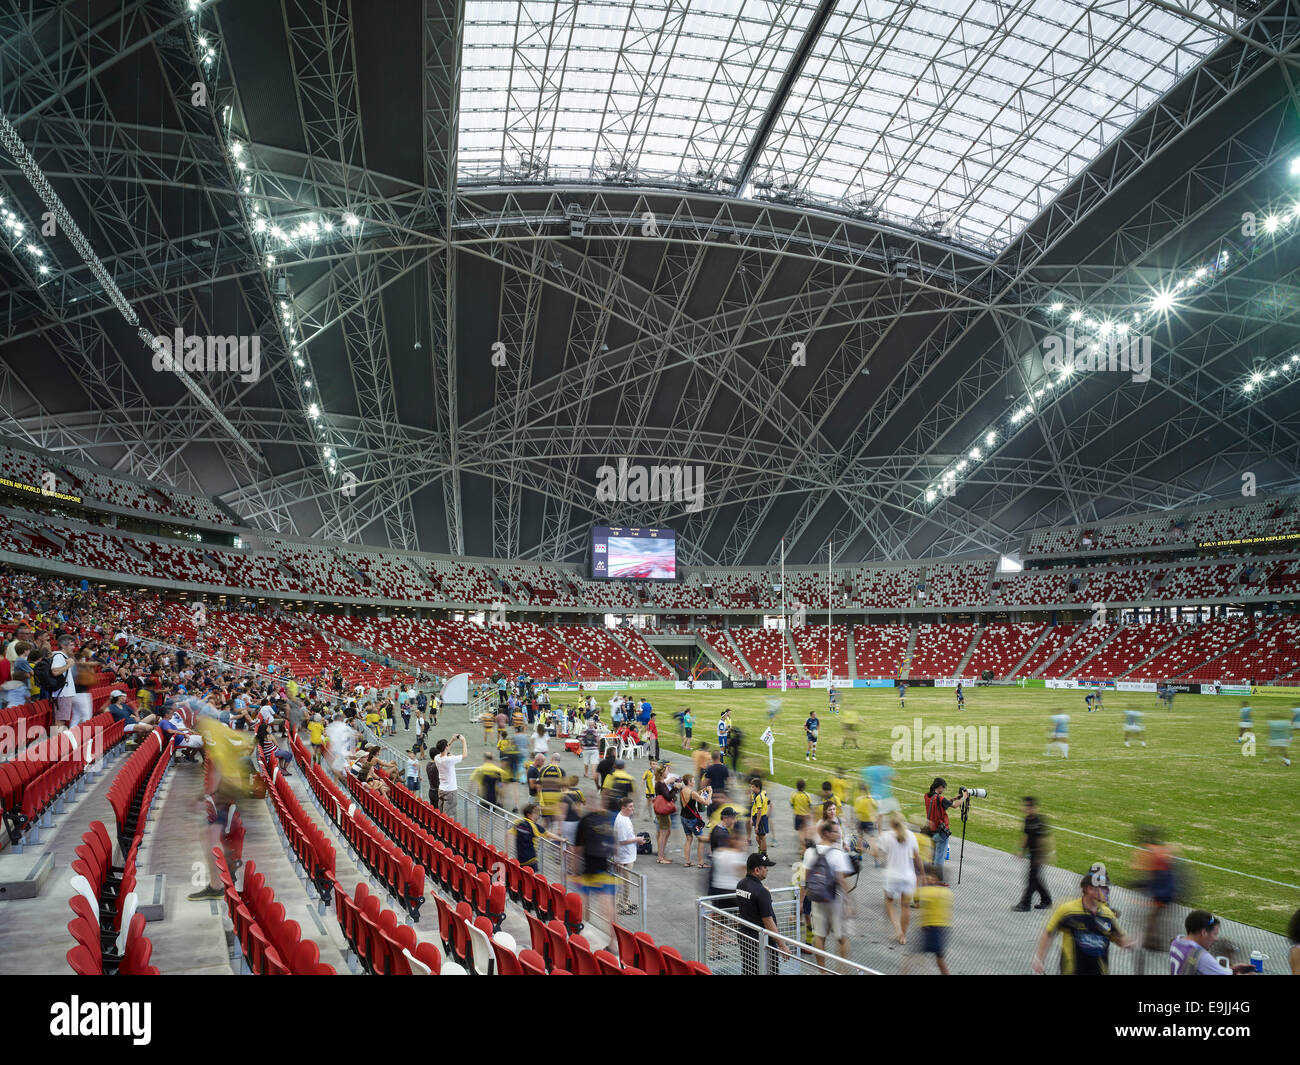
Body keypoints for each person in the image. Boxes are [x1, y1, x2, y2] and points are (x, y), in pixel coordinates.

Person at [1032, 867, 1134, 975]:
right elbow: (1048, 933)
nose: (1107, 891)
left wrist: (1130, 943)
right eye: (1103, 887)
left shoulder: (1107, 914)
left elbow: (1118, 938)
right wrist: (1039, 959)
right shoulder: (1066, 910)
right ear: (1090, 889)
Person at [801, 821, 855, 959]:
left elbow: (804, 879)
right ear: (826, 833)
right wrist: (850, 903)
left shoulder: (810, 852)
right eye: (836, 831)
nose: (839, 834)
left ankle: (823, 972)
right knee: (841, 936)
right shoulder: (838, 854)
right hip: (835, 899)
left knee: (819, 936)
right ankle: (842, 970)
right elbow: (842, 880)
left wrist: (801, 901)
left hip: (816, 898)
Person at [871, 812, 921, 945]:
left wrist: (870, 846)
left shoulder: (887, 836)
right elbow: (917, 857)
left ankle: (898, 929)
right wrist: (921, 874)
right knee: (905, 906)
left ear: (891, 824)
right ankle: (903, 936)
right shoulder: (911, 835)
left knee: (889, 902)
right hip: (908, 876)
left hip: (892, 876)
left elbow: (877, 854)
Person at [735, 852, 787, 975]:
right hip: (762, 941)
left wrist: (766, 896)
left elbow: (752, 905)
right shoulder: (761, 892)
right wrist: (782, 945)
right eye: (765, 867)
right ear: (757, 870)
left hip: (745, 937)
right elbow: (768, 921)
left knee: (749, 970)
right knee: (770, 971)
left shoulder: (741, 884)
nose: (767, 870)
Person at [573, 797, 618, 938]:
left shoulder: (585, 821)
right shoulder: (608, 820)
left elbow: (577, 850)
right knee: (607, 904)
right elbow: (615, 846)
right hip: (604, 865)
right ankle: (614, 939)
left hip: (589, 866)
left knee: (584, 901)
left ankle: (583, 929)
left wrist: (574, 871)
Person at [1169, 911, 1255, 974]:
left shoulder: (1176, 942)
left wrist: (1233, 970)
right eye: (1215, 934)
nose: (1216, 939)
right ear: (1204, 933)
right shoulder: (1200, 955)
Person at [1014, 796, 1053, 911]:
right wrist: (1021, 850)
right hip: (1032, 855)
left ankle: (1025, 904)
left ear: (1036, 807)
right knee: (1036, 879)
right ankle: (1047, 901)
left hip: (1039, 856)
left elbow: (1045, 839)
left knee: (1031, 880)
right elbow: (1026, 836)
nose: (1028, 808)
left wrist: (1043, 856)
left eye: (1031, 806)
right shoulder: (1027, 820)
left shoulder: (1040, 821)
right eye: (1026, 806)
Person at [914, 865, 953, 975]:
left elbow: (915, 895)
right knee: (939, 959)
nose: (928, 878)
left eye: (931, 876)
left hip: (933, 929)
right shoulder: (945, 892)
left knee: (914, 956)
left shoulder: (931, 891)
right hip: (941, 929)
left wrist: (920, 882)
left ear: (937, 879)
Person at [924, 778, 961, 880]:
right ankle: (937, 879)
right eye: (943, 788)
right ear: (940, 787)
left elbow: (939, 805)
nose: (943, 790)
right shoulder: (940, 799)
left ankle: (930, 876)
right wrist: (964, 798)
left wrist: (952, 799)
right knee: (939, 858)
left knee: (932, 856)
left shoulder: (927, 796)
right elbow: (955, 806)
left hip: (930, 831)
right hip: (940, 832)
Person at [612, 796, 639, 916]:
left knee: (625, 882)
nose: (633, 809)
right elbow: (622, 841)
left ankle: (625, 902)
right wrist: (637, 839)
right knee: (624, 882)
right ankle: (620, 905)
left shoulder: (625, 817)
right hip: (624, 857)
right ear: (623, 808)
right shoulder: (621, 821)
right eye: (630, 807)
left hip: (628, 855)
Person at [514, 803, 555, 871]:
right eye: (535, 813)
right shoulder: (533, 826)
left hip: (520, 858)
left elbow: (508, 834)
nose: (538, 814)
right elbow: (547, 834)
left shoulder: (518, 822)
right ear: (529, 815)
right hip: (530, 859)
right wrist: (562, 839)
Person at [434, 733, 468, 812]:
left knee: (442, 813)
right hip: (450, 790)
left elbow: (444, 749)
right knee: (447, 816)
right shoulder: (449, 760)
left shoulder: (437, 758)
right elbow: (465, 755)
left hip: (442, 789)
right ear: (446, 747)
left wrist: (452, 740)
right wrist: (463, 740)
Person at [679, 773, 705, 867]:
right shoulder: (692, 793)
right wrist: (709, 792)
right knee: (701, 839)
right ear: (689, 782)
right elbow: (705, 802)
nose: (694, 782)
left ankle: (687, 861)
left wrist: (701, 791)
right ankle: (701, 863)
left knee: (689, 839)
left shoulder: (683, 790)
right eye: (693, 780)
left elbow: (692, 797)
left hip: (683, 817)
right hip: (692, 819)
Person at [748, 776, 770, 854]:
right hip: (755, 817)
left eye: (753, 786)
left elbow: (759, 812)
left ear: (758, 787)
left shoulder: (759, 797)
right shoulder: (755, 795)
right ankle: (761, 850)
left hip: (760, 819)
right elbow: (753, 807)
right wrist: (751, 818)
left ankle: (764, 856)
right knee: (758, 837)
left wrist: (757, 825)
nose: (751, 788)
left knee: (762, 837)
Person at [791, 779, 813, 848]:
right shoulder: (807, 795)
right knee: (806, 832)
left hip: (798, 816)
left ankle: (802, 847)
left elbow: (792, 804)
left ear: (797, 787)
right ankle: (805, 847)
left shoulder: (793, 795)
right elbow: (810, 805)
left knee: (800, 833)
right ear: (804, 787)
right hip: (806, 816)